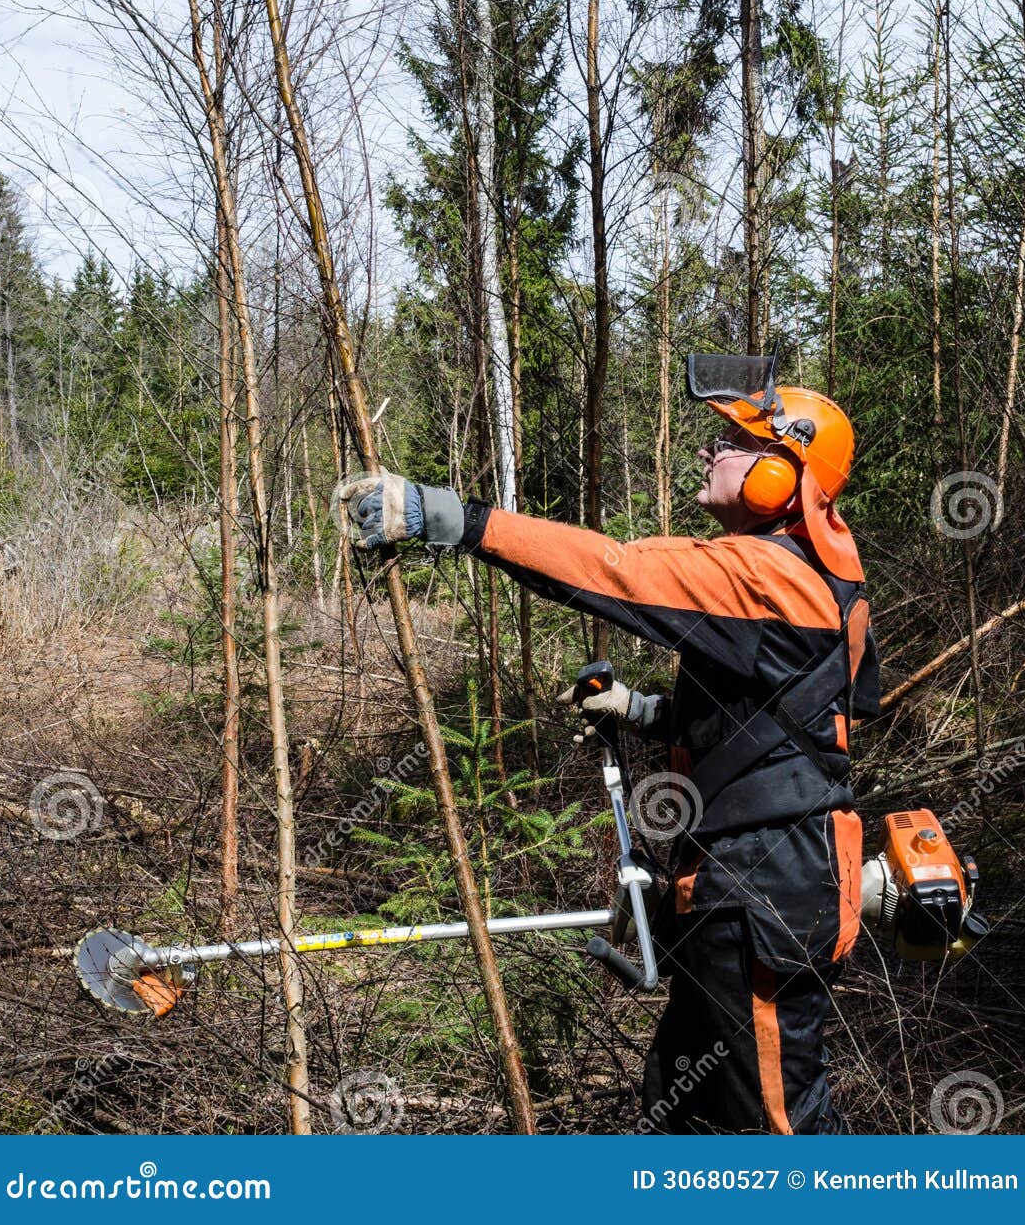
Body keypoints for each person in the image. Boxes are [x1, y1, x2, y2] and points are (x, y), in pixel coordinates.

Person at [335, 350, 879, 1134]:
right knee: (686, 1105)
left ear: (779, 477)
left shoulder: (768, 576)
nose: (710, 451)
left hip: (767, 887)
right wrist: (643, 710)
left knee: (776, 1126)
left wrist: (453, 518)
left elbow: (612, 570)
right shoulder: (815, 580)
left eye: (733, 443)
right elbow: (786, 718)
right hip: (749, 880)